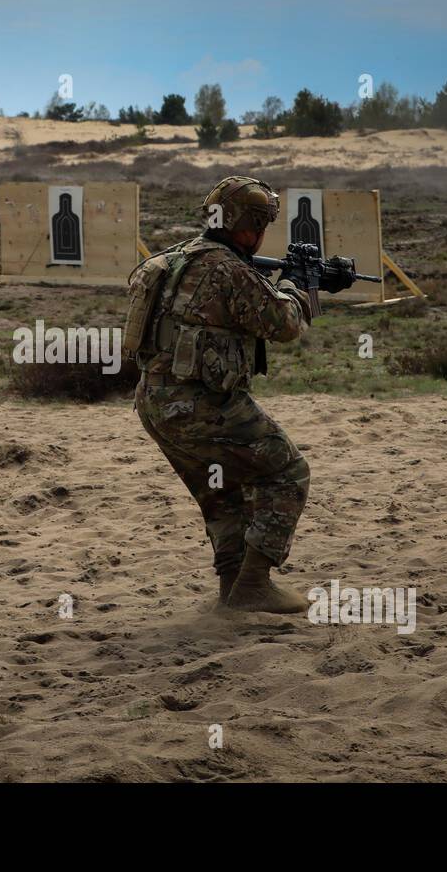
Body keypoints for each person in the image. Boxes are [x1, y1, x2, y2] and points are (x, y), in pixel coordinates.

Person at [125, 176, 313, 613]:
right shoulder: (228, 268)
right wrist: (297, 288)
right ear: (249, 227)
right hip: (200, 404)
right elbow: (283, 325)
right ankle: (253, 583)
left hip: (154, 403)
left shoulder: (175, 258)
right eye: (262, 224)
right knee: (288, 471)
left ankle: (233, 587)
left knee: (221, 490)